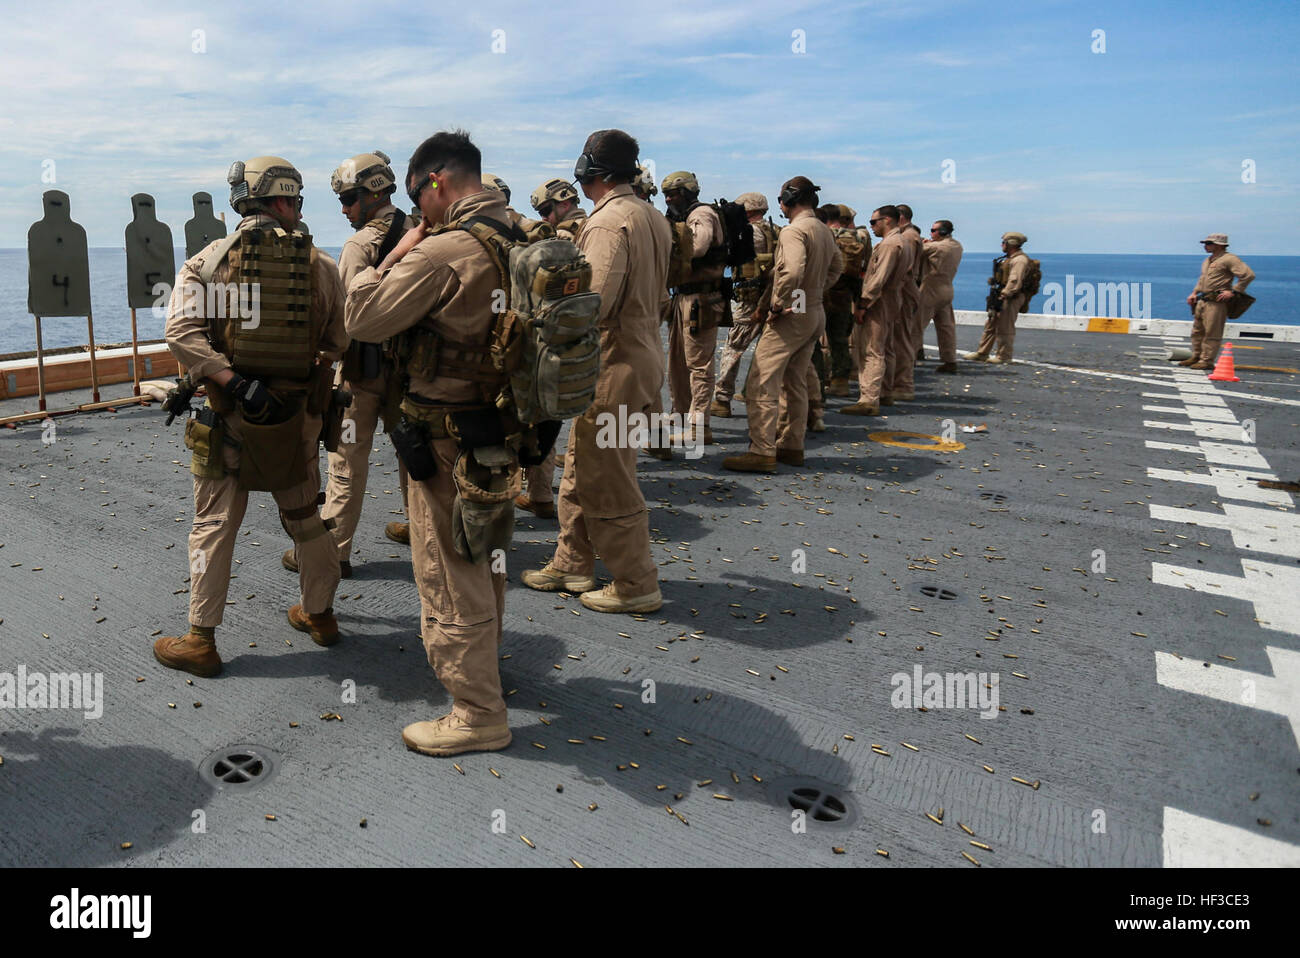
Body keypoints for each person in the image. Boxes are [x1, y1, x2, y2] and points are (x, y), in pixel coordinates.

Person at [345, 130, 517, 757]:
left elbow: (362, 318)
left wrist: (387, 259)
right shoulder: (524, 237)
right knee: (488, 552)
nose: (418, 210)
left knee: (449, 569)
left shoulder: (444, 251)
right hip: (505, 429)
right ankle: (488, 669)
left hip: (446, 434)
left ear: (436, 182)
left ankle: (476, 710)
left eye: (419, 195)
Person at [155, 156, 347, 677]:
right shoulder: (322, 265)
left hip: (227, 418)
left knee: (213, 525)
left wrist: (235, 382)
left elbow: (181, 336)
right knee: (307, 520)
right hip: (294, 425)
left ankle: (201, 639)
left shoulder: (207, 262)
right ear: (284, 201)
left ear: (243, 198)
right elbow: (337, 343)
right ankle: (321, 616)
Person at [522, 129, 670, 613]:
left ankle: (635, 582)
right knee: (583, 464)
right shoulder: (652, 215)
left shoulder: (609, 223)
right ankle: (572, 561)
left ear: (591, 171)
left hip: (613, 359)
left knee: (608, 472)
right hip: (643, 350)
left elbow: (592, 303)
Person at [283, 152, 410, 577]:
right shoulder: (421, 232)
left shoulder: (359, 245)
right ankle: (426, 534)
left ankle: (333, 552)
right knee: (415, 455)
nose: (344, 209)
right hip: (411, 371)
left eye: (350, 198)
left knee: (347, 461)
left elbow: (343, 316)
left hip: (363, 372)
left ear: (372, 193)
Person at [723, 177, 841, 472]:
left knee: (761, 381)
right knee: (795, 381)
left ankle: (762, 451)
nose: (779, 205)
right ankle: (791, 446)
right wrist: (810, 294)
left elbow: (791, 270)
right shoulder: (824, 231)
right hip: (813, 311)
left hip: (791, 315)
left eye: (781, 198)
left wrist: (778, 304)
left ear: (789, 198)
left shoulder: (795, 231)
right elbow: (837, 267)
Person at [662, 170, 726, 445]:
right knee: (677, 361)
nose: (668, 199)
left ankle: (700, 426)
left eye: (673, 194)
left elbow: (697, 248)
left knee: (699, 364)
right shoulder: (685, 216)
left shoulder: (700, 215)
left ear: (687, 192)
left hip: (702, 298)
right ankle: (680, 412)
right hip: (684, 296)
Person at [840, 206, 912, 416]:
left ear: (887, 220)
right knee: (886, 347)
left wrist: (863, 304)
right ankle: (885, 392)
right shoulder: (903, 242)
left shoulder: (890, 245)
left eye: (874, 222)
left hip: (879, 301)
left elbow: (878, 279)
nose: (871, 227)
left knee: (871, 350)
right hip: (892, 299)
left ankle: (869, 400)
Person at [712, 192, 777, 417]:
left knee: (733, 348)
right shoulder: (775, 231)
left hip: (749, 300)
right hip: (772, 298)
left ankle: (722, 399)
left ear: (747, 210)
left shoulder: (750, 233)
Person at [1183, 233, 1254, 369]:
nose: (1205, 246)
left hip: (1216, 301)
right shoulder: (1208, 260)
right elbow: (1203, 279)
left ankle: (1207, 361)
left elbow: (1248, 275)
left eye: (1209, 243)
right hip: (1203, 300)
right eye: (1206, 243)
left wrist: (1233, 291)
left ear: (1220, 245)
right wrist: (1194, 293)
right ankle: (1196, 356)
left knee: (1212, 332)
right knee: (1197, 331)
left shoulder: (1230, 259)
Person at [823, 203, 869, 396]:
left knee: (813, 343)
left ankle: (817, 383)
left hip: (822, 294)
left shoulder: (823, 235)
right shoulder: (859, 238)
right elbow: (862, 273)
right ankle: (840, 381)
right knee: (840, 340)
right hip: (845, 295)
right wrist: (859, 303)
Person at [967, 231, 1029, 364]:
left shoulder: (1019, 260)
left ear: (1011, 244)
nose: (1002, 245)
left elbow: (1014, 280)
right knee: (991, 324)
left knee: (1005, 326)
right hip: (1001, 295)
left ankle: (1004, 356)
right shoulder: (1009, 258)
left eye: (1004, 242)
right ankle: (982, 353)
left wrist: (1005, 294)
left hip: (1010, 297)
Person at [884, 203, 924, 402]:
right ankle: (900, 383)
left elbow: (904, 268)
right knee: (900, 337)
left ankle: (903, 384)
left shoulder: (907, 237)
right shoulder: (911, 235)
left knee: (901, 338)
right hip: (907, 287)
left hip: (904, 288)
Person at [916, 220, 963, 373]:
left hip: (931, 289)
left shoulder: (935, 247)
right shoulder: (957, 246)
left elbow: (917, 250)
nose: (931, 233)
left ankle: (909, 357)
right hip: (948, 288)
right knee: (946, 327)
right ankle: (950, 360)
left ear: (942, 232)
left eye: (933, 230)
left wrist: (924, 243)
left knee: (915, 326)